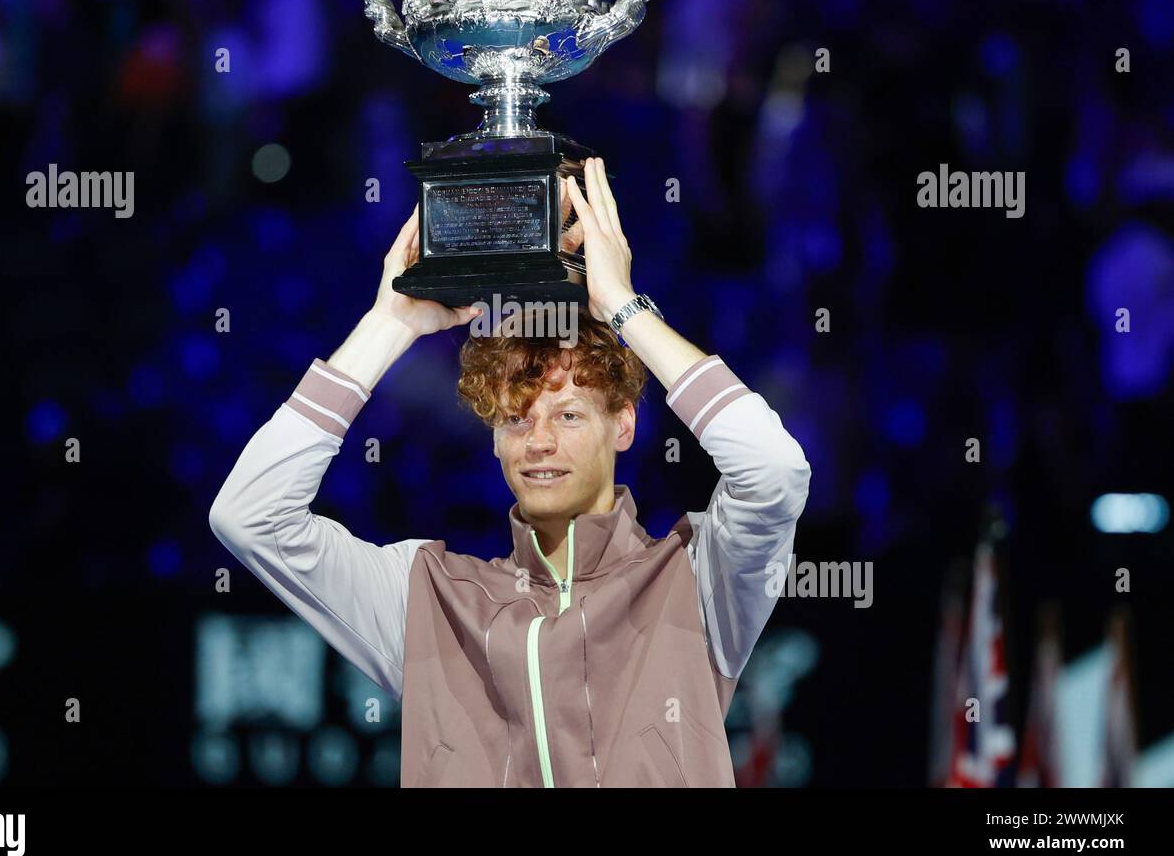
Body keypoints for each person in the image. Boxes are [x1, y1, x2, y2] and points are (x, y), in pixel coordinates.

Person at [209, 157, 811, 787]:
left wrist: (625, 309)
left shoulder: (696, 580)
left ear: (625, 426)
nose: (540, 442)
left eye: (570, 414)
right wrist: (387, 326)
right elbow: (249, 516)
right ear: (493, 439)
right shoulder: (430, 599)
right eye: (516, 418)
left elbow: (774, 470)